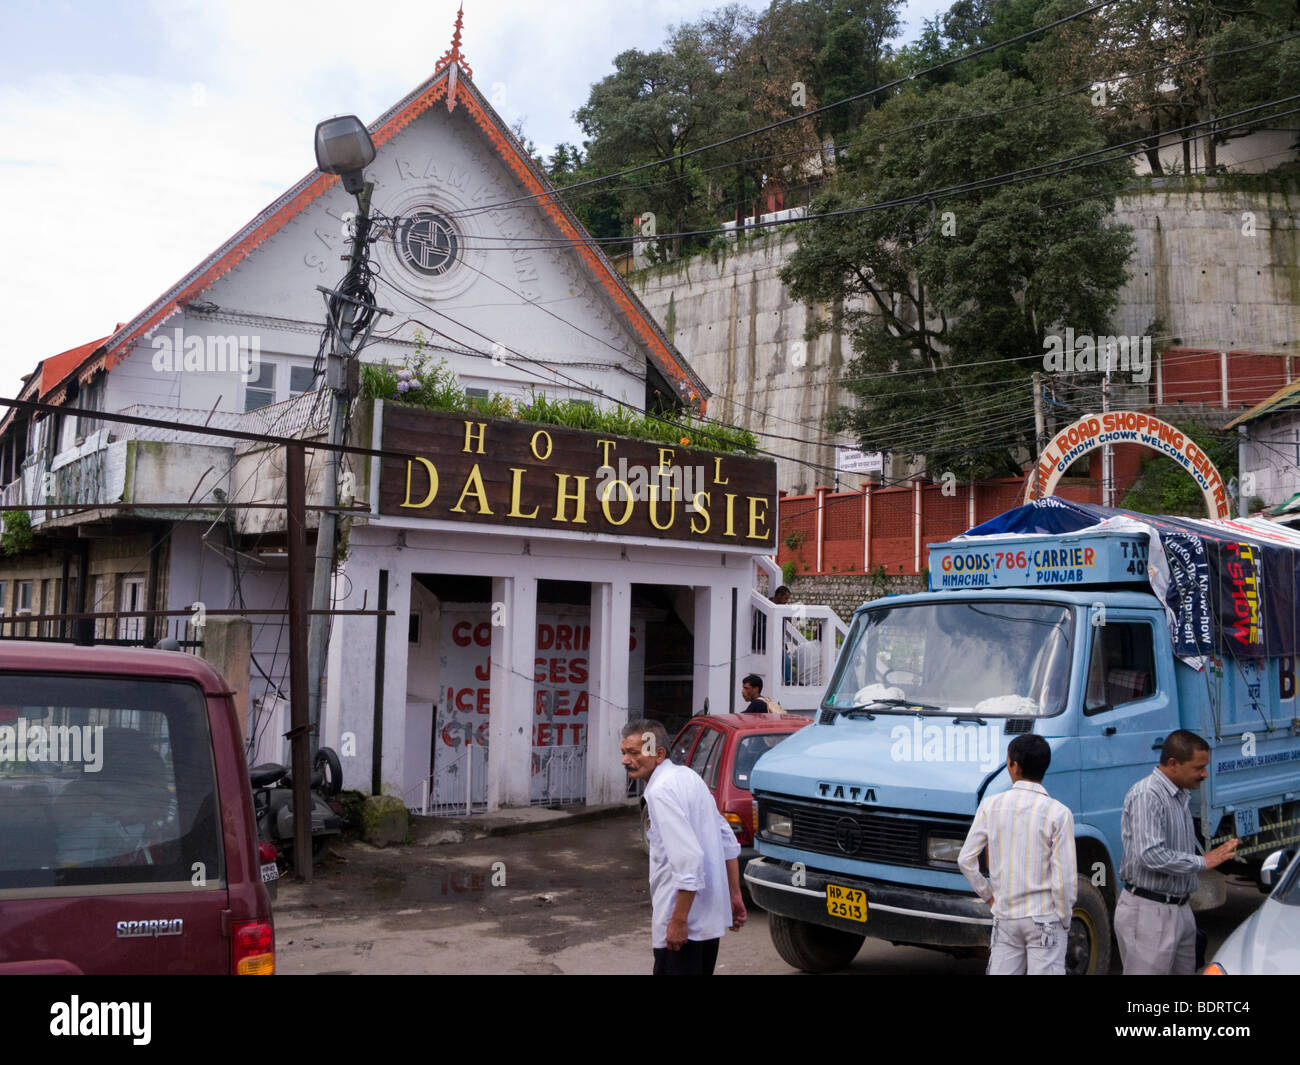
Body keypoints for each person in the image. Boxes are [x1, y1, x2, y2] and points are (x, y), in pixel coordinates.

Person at [620, 719, 746, 975]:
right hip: (707, 925)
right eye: (624, 753)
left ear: (659, 754)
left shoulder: (660, 792)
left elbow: (690, 859)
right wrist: (734, 896)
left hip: (683, 925)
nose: (625, 760)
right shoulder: (688, 777)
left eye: (633, 753)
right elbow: (727, 840)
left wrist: (678, 921)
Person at [1115, 730, 1238, 975]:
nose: (1204, 774)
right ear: (1173, 764)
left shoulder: (1179, 795)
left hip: (1180, 908)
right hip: (1149, 911)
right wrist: (1203, 861)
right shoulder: (1147, 795)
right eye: (1198, 767)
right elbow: (1149, 855)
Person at [958, 734, 1077, 975]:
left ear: (1014, 765)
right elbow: (1064, 878)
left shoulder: (990, 805)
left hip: (1006, 916)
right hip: (1044, 918)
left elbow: (966, 860)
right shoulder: (1059, 813)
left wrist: (989, 897)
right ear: (1044, 766)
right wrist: (1064, 918)